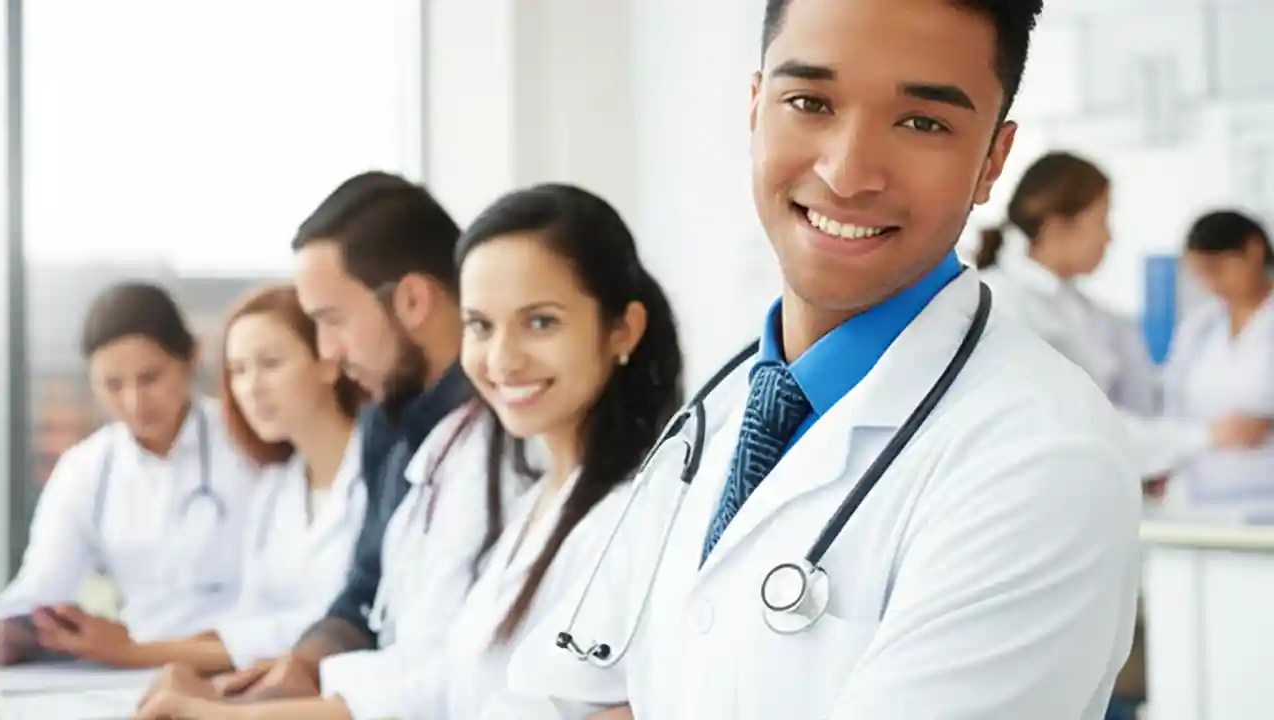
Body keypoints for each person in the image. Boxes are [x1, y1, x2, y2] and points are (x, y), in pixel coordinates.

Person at [508, 1, 1141, 718]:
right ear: (755, 108)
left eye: (922, 122)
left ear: (992, 161)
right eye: (809, 102)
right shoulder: (720, 414)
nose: (847, 173)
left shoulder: (1043, 460)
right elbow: (552, 695)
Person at [136, 183, 684, 720]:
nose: (503, 359)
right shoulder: (537, 497)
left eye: (540, 322)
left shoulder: (634, 514)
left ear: (622, 331)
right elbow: (455, 678)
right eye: (481, 326)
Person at [141, 171, 475, 701]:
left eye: (332, 320)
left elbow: (455, 669)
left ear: (412, 301)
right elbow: (364, 594)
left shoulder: (502, 440)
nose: (327, 352)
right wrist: (301, 666)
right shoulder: (390, 426)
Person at [27, 284, 369, 671]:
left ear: (327, 359)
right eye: (238, 370)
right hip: (234, 675)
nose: (252, 388)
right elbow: (252, 618)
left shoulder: (366, 471)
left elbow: (343, 623)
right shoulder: (281, 484)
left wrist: (137, 653)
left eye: (271, 363)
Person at [0, 282, 259, 665]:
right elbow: (42, 589)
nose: (134, 402)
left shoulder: (249, 444)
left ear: (192, 358)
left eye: (150, 378)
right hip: (133, 665)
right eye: (112, 384)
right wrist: (9, 628)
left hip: (238, 661)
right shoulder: (86, 469)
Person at [977, 152, 1269, 478]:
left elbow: (1143, 400)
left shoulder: (1088, 313)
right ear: (1058, 227)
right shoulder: (1003, 302)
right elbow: (1074, 421)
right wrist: (1205, 437)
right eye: (1102, 221)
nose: (1109, 237)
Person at [1160, 210, 1274, 516]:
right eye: (1200, 273)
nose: (1210, 283)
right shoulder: (1199, 326)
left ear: (1253, 251)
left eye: (1217, 268)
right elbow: (1172, 403)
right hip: (1201, 500)